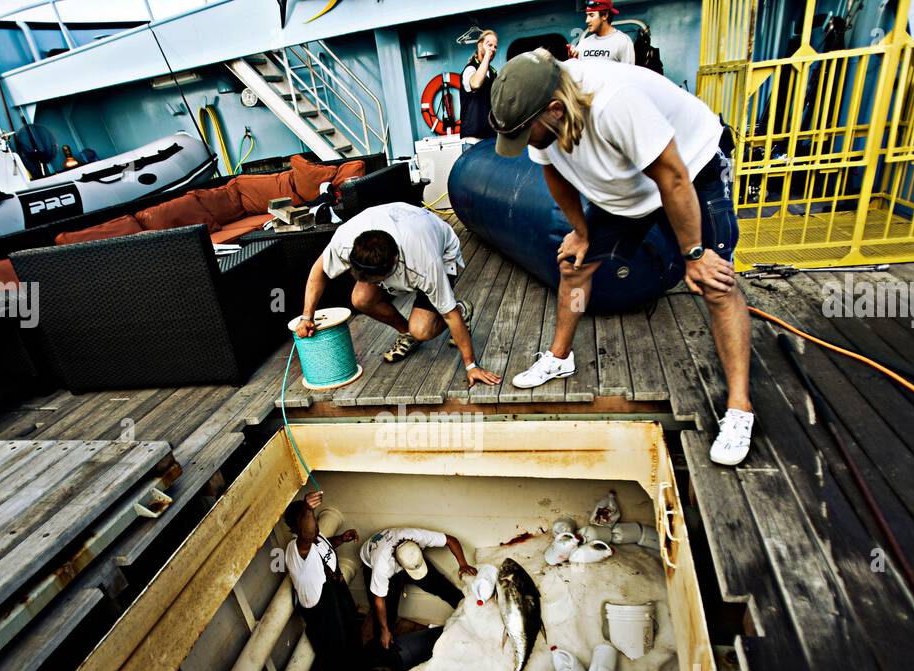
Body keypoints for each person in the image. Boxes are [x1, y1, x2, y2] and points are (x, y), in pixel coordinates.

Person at [489, 49, 756, 466]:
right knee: (574, 267)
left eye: (526, 135)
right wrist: (580, 231)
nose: (524, 145)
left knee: (715, 282)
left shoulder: (615, 101)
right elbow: (553, 173)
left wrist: (695, 254)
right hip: (629, 186)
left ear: (556, 110)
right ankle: (559, 358)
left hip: (691, 166)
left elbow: (672, 176)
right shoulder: (543, 118)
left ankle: (740, 408)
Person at [296, 202, 501, 384]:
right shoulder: (345, 240)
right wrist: (307, 316)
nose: (375, 284)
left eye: (377, 281)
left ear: (393, 262)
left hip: (439, 245)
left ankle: (463, 308)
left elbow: (449, 315)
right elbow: (318, 272)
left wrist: (471, 366)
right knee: (360, 299)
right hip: (396, 223)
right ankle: (407, 333)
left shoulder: (425, 264)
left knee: (423, 330)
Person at [283, 491, 363, 671]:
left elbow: (321, 546)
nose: (312, 523)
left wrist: (342, 538)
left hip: (335, 588)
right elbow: (308, 538)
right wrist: (308, 509)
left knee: (352, 631)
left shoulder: (316, 537)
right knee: (336, 653)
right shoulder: (296, 548)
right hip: (320, 604)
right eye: (306, 519)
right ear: (296, 527)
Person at [360, 527, 474, 651]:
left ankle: (470, 609)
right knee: (387, 611)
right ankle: (385, 648)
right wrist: (384, 630)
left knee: (440, 584)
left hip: (405, 559)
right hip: (372, 563)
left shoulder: (417, 536)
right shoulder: (382, 566)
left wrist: (463, 564)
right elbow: (379, 601)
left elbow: (451, 540)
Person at [460, 30, 499, 140]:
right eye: (489, 45)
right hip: (473, 139)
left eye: (495, 47)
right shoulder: (470, 68)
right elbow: (476, 84)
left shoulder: (493, 72)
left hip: (491, 137)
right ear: (480, 46)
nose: (493, 49)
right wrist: (487, 55)